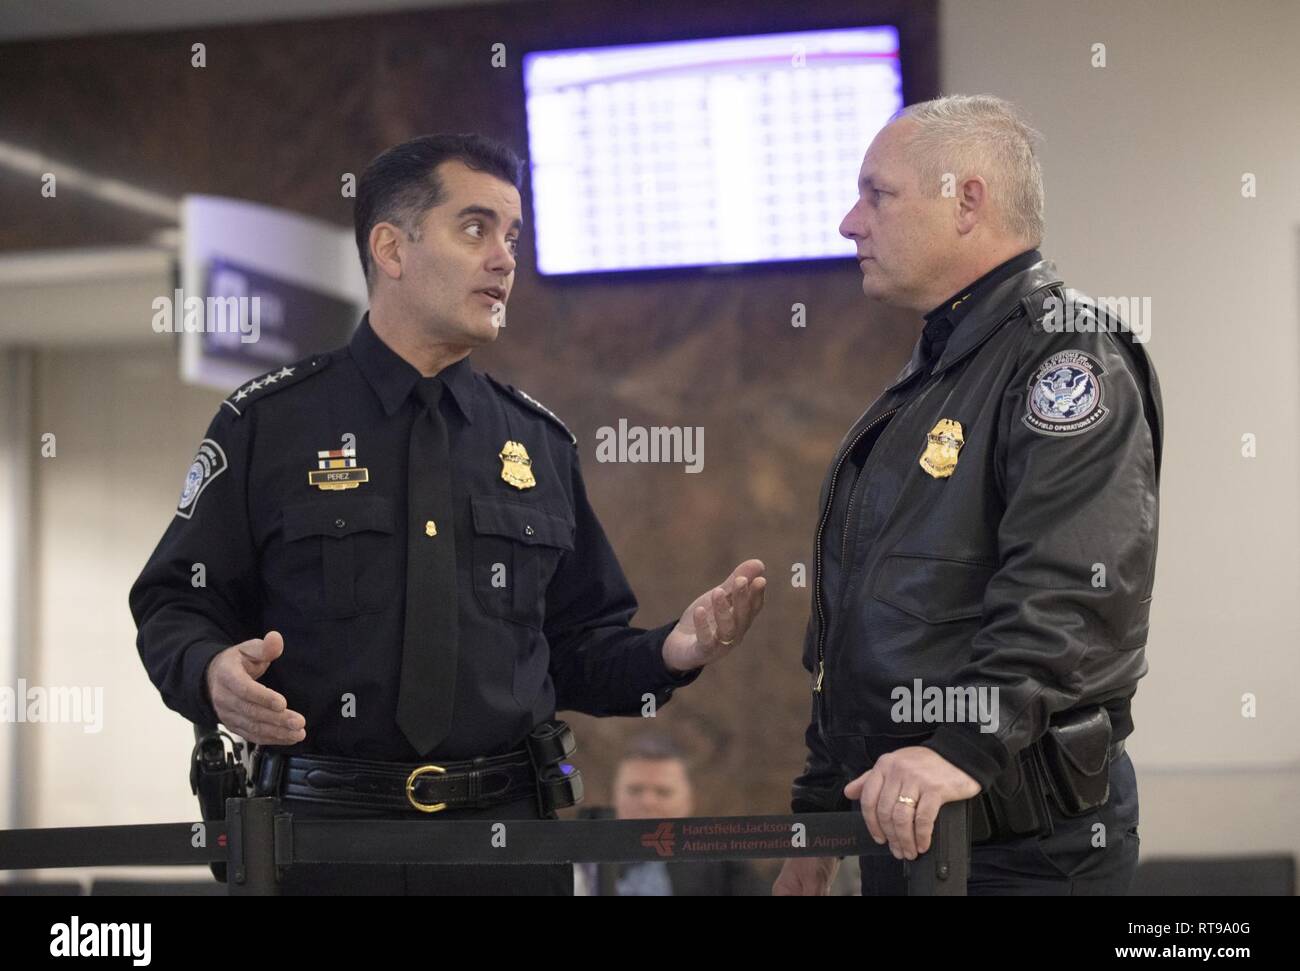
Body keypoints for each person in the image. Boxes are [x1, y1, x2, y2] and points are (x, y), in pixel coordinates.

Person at [129, 133, 766, 896]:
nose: (504, 260)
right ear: (391, 249)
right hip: (319, 844)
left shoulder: (537, 443)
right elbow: (174, 603)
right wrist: (210, 672)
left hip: (504, 846)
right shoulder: (269, 425)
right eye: (475, 229)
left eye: (513, 238)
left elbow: (576, 651)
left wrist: (671, 652)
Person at [772, 95, 1162, 896]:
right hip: (906, 828)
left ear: (967, 200)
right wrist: (819, 814)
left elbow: (1073, 592)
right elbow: (859, 631)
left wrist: (963, 746)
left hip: (1024, 849)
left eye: (877, 194)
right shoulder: (934, 375)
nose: (849, 222)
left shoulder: (1065, 356)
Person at [575, 734, 766, 895]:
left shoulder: (724, 865)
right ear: (614, 796)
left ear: (689, 800)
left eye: (663, 792)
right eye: (635, 790)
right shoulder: (583, 860)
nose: (647, 802)